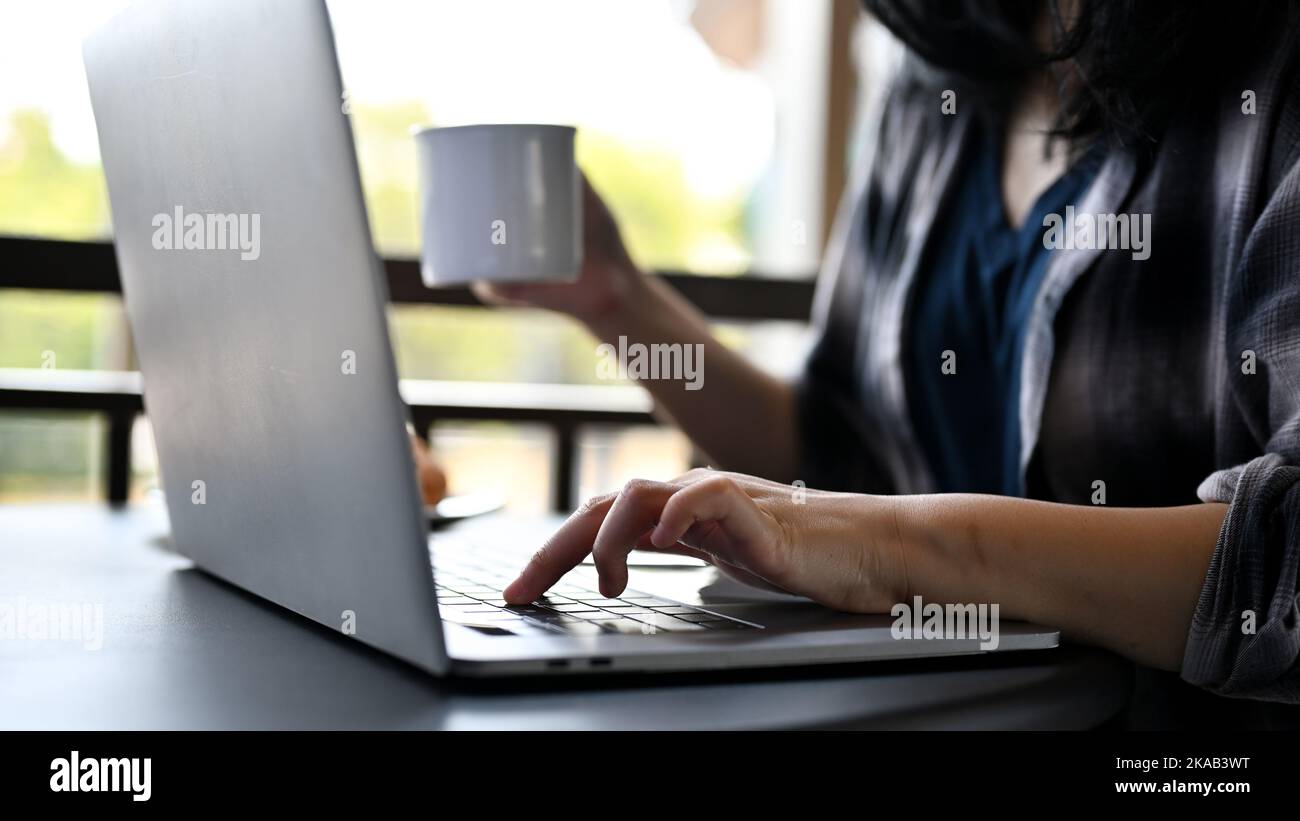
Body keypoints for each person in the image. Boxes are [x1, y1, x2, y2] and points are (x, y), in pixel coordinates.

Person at [476, 0, 1300, 720]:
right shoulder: (938, 71)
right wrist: (616, 297)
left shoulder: (1274, 66)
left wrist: (889, 549)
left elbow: (1287, 553)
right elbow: (832, 451)